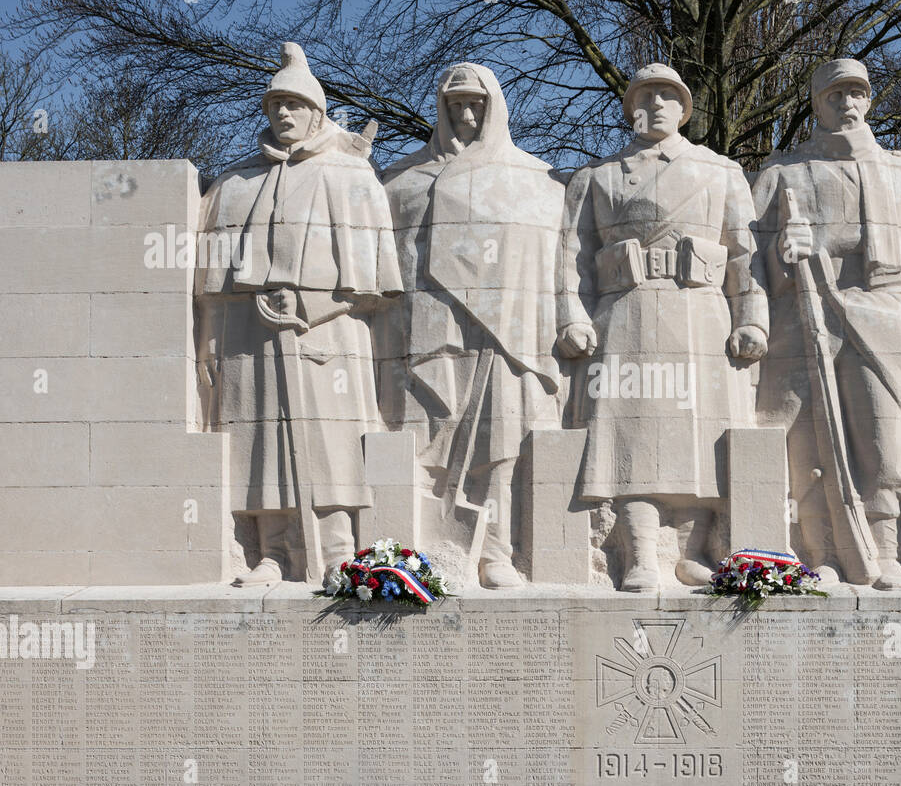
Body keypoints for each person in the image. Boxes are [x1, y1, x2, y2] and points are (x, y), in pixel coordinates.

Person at [196, 42, 401, 588]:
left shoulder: (350, 175)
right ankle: (272, 553)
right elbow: (212, 288)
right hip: (250, 337)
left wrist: (310, 306)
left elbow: (377, 284)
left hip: (330, 335)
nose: (283, 114)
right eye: (274, 105)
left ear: (317, 110)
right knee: (258, 443)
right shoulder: (235, 183)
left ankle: (337, 553)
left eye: (295, 104)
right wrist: (210, 346)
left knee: (333, 446)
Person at [558, 63, 769, 591]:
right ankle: (642, 555)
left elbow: (747, 254)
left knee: (701, 435)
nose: (654, 105)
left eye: (666, 96)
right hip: (624, 310)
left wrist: (752, 319)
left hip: (699, 311)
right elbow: (571, 257)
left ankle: (691, 550)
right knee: (631, 434)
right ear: (630, 107)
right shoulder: (597, 176)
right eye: (645, 96)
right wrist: (572, 317)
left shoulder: (721, 172)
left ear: (684, 108)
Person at [381, 63, 563, 587]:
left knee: (502, 445)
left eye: (476, 104)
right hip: (429, 336)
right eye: (455, 103)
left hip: (504, 338)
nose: (465, 114)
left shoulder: (533, 177)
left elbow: (553, 256)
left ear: (494, 108)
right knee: (421, 439)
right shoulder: (404, 179)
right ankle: (411, 556)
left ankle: (498, 550)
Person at [753, 59, 901, 589]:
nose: (847, 104)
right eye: (835, 95)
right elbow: (751, 256)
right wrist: (786, 254)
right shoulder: (784, 173)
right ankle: (823, 552)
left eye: (857, 93)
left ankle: (885, 552)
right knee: (808, 442)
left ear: (870, 101)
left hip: (890, 315)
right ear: (817, 103)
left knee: (885, 440)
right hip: (808, 314)